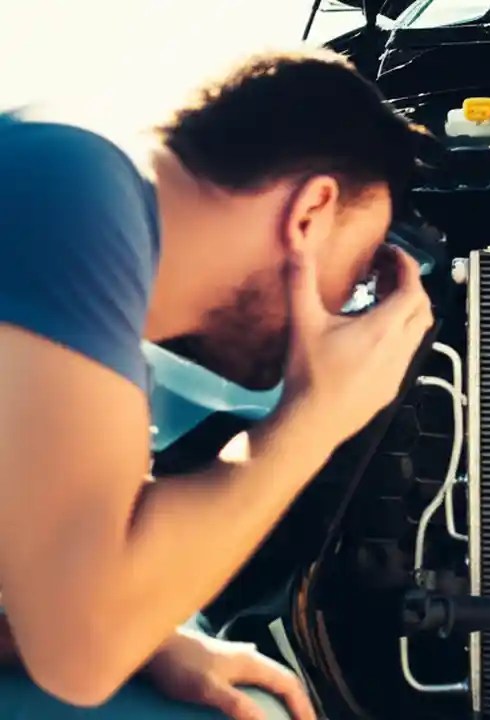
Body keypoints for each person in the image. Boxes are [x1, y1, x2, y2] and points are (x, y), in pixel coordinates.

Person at [0, 48, 434, 719]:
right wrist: (318, 414)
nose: (349, 304)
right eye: (357, 273)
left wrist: (138, 639)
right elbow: (79, 654)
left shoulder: (78, 228)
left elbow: (62, 599)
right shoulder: (74, 184)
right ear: (312, 212)